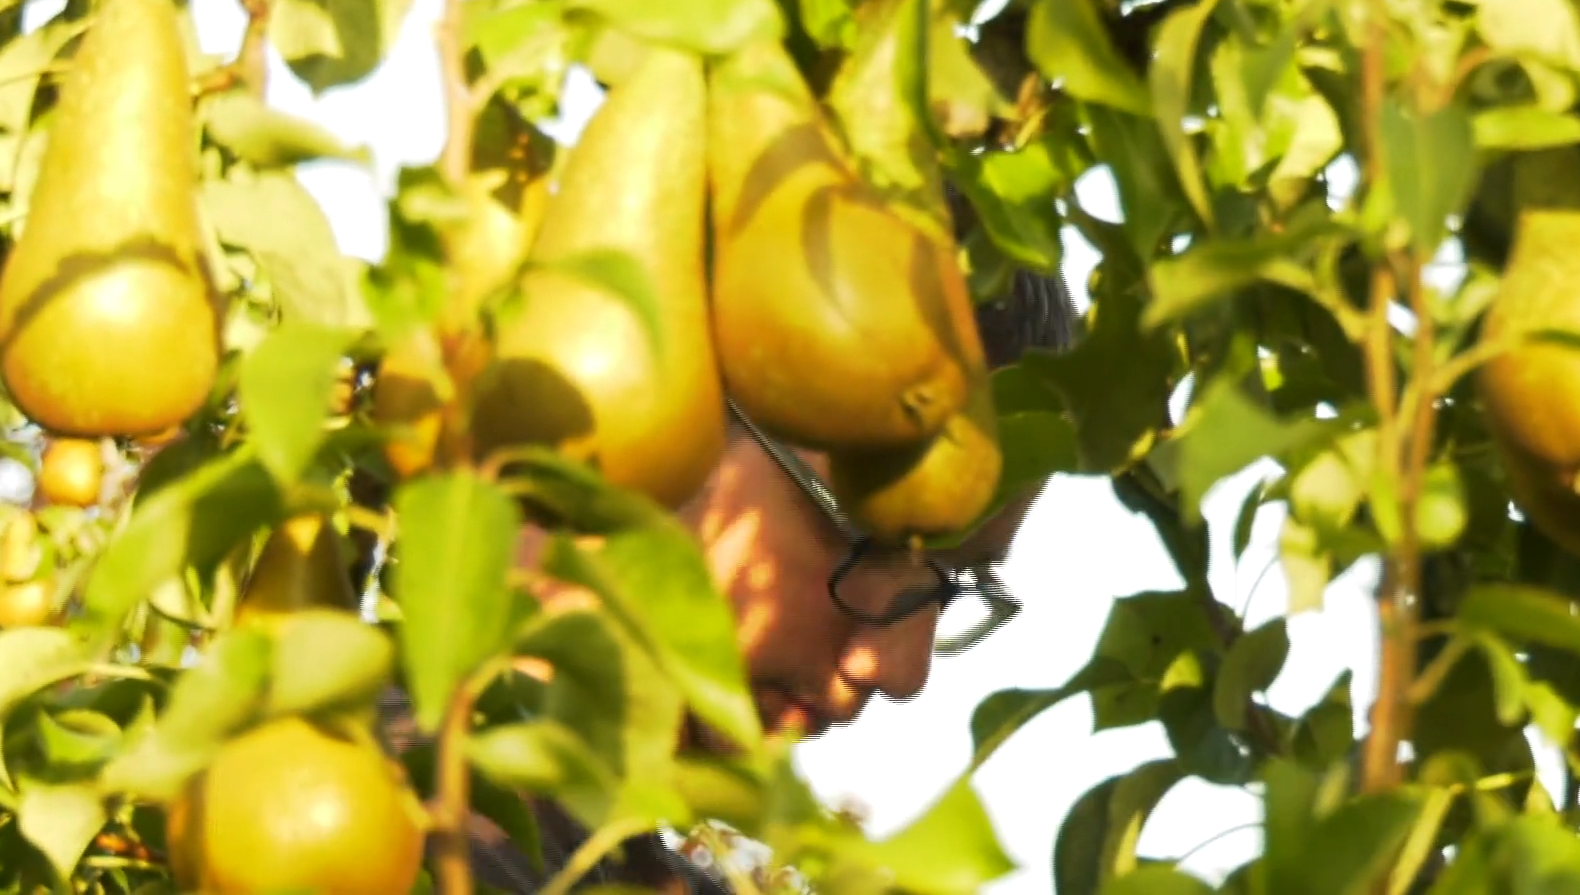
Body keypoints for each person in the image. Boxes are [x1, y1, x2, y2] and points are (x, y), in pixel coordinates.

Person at [376, 184, 1078, 892]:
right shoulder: (348, 831)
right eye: (877, 540)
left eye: (955, 584)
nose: (902, 669)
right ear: (659, 393)